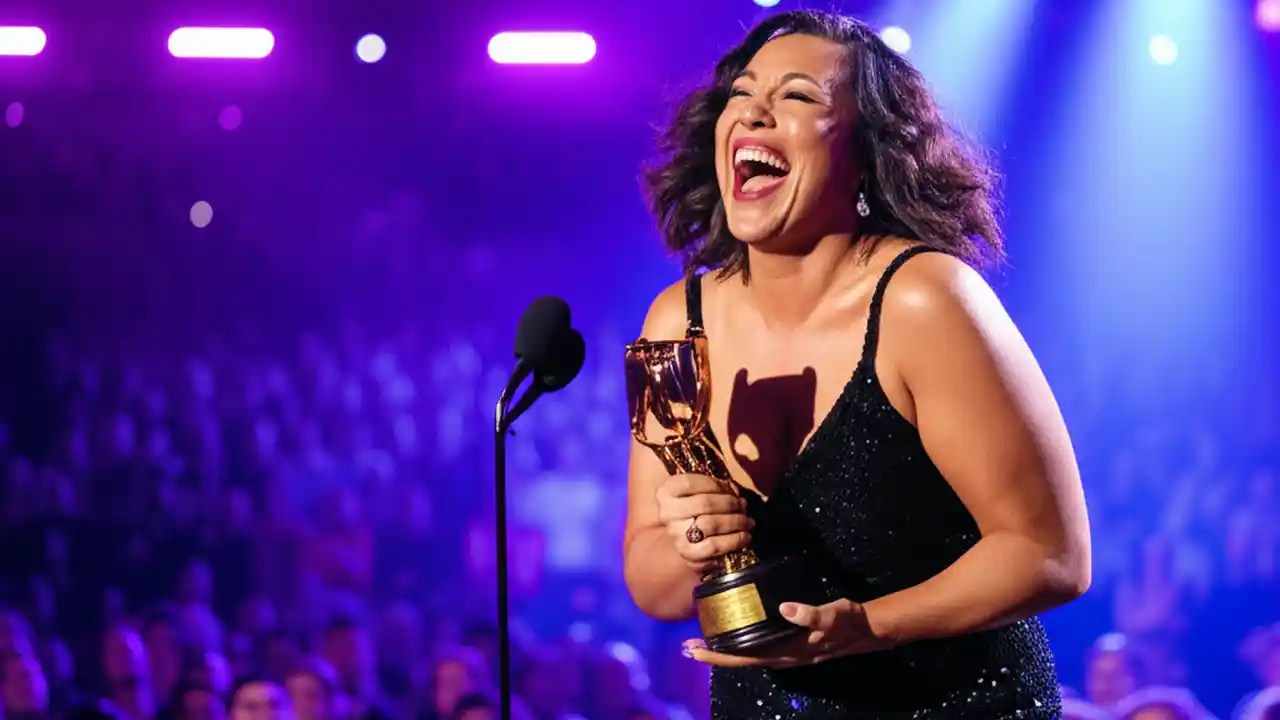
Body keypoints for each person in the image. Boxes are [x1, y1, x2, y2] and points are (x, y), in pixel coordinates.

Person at [622, 9, 1091, 719]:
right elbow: (652, 585)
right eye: (741, 96)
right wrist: (695, 540)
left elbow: (1049, 554)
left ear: (868, 153)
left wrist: (866, 627)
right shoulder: (673, 323)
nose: (753, 114)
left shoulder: (924, 299)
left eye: (798, 97)